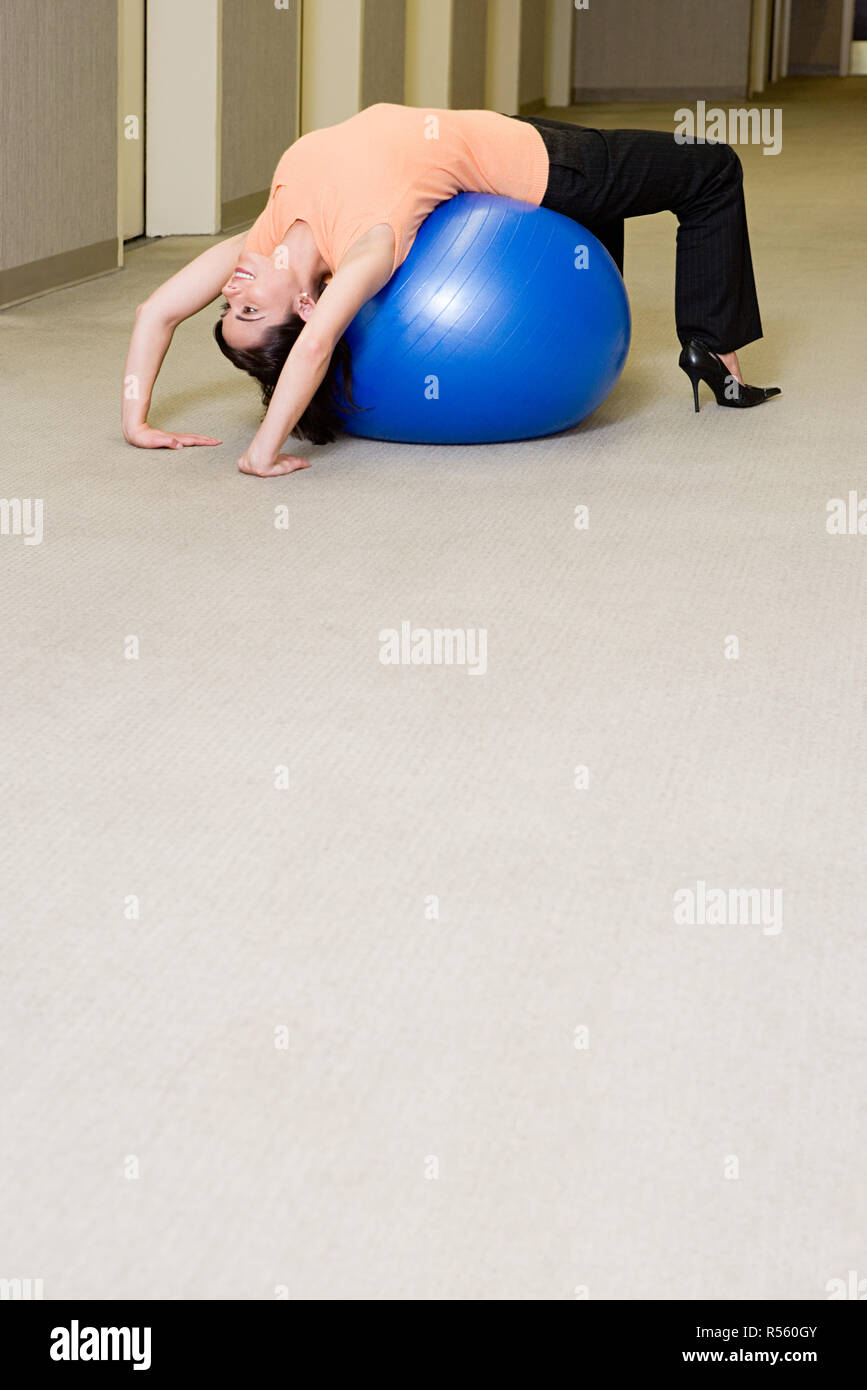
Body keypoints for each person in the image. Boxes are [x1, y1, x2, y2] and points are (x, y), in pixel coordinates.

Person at [121, 103, 780, 478]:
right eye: (246, 309)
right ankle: (713, 354)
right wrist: (261, 453)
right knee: (711, 169)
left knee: (602, 223)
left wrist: (136, 420)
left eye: (228, 305)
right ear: (302, 302)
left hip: (498, 131)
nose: (232, 288)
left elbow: (156, 311)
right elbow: (318, 342)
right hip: (545, 166)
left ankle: (588, 336)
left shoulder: (256, 244)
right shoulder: (367, 246)